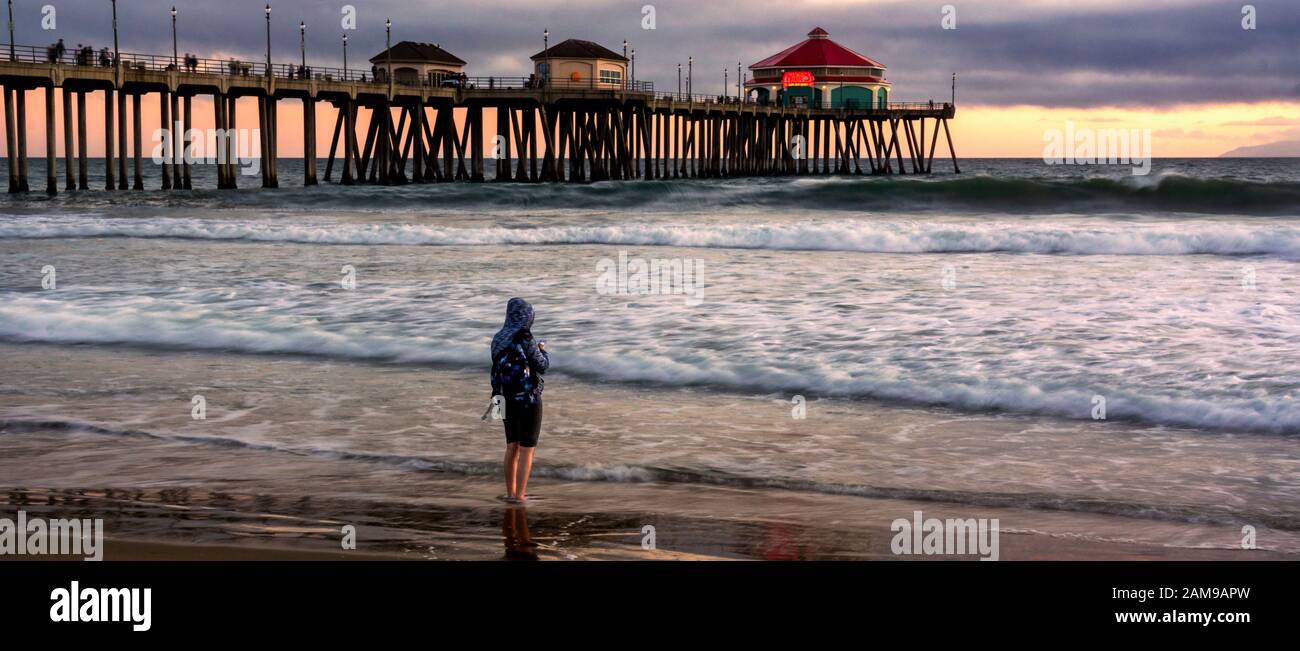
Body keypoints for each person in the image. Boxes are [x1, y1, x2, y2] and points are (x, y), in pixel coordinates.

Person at [488, 298, 549, 503]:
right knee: (527, 448)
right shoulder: (525, 336)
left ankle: (510, 493)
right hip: (527, 398)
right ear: (527, 316)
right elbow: (542, 366)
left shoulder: (498, 338)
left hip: (503, 397)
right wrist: (542, 349)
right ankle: (520, 496)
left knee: (511, 446)